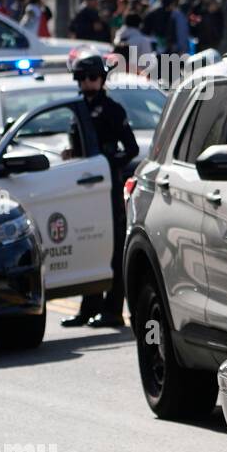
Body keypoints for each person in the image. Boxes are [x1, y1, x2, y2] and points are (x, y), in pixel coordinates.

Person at [59, 48, 139, 330]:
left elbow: (131, 149)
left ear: (102, 79)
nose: (88, 83)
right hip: (84, 188)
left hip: (106, 185)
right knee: (88, 244)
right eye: (83, 78)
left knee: (113, 246)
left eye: (93, 77)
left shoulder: (112, 109)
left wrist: (106, 163)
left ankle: (113, 309)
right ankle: (88, 308)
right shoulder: (77, 109)